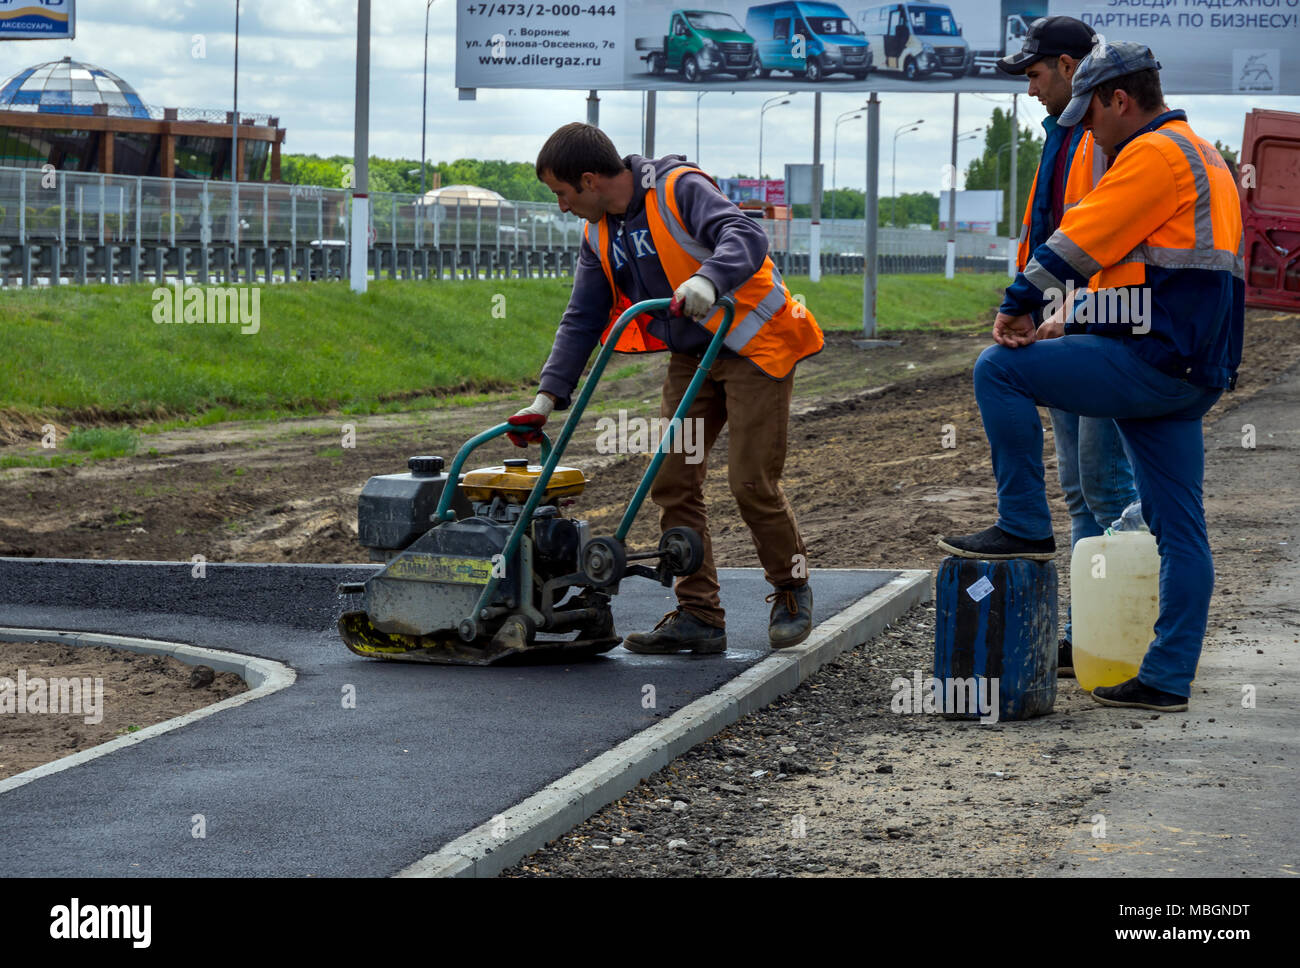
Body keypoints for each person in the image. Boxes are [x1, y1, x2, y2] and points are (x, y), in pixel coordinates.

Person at [939, 42, 1244, 712]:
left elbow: (1080, 242)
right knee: (1179, 529)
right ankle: (1166, 678)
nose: (1087, 129)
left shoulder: (1152, 154)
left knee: (999, 371)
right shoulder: (1204, 157)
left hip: (1152, 362)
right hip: (1194, 366)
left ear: (1119, 99)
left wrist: (1020, 305)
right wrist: (1077, 319)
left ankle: (1022, 521)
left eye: (1092, 113)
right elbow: (1157, 281)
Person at [509, 123, 824, 655]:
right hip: (693, 356)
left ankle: (791, 590)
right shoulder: (598, 233)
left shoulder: (677, 187)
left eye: (561, 194)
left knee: (750, 481)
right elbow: (582, 316)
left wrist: (708, 279)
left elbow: (744, 235)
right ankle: (700, 614)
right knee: (673, 482)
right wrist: (546, 398)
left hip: (756, 346)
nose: (561, 207)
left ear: (588, 180)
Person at [998, 16, 1140, 678]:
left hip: (1099, 328)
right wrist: (1027, 306)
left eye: (1032, 75)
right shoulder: (1062, 138)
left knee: (1108, 486)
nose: (1029, 90)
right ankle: (1091, 632)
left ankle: (1124, 637)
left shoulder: (1103, 135)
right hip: (1060, 324)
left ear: (1065, 65)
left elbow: (1115, 240)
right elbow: (1050, 236)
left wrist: (1076, 310)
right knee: (1082, 489)